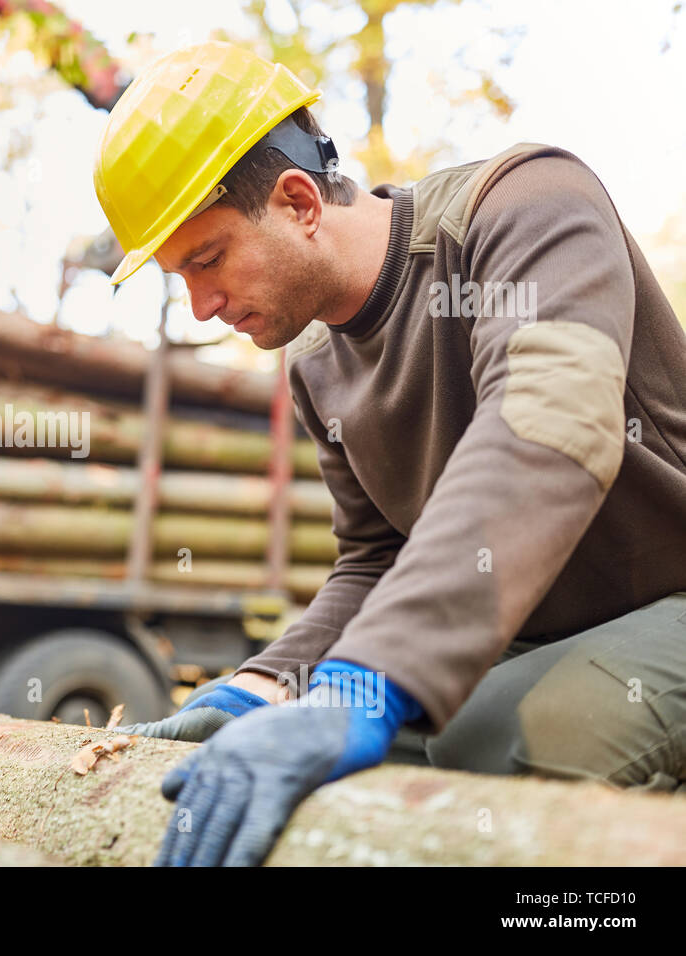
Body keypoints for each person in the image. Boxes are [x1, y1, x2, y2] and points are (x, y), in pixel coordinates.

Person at [94, 41, 686, 866]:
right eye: (177, 276)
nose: (199, 308)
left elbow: (551, 427)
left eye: (208, 259)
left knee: (516, 741)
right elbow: (375, 558)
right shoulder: (316, 365)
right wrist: (261, 689)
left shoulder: (525, 206)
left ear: (298, 201)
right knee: (316, 780)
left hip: (671, 599)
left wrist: (370, 681)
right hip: (521, 627)